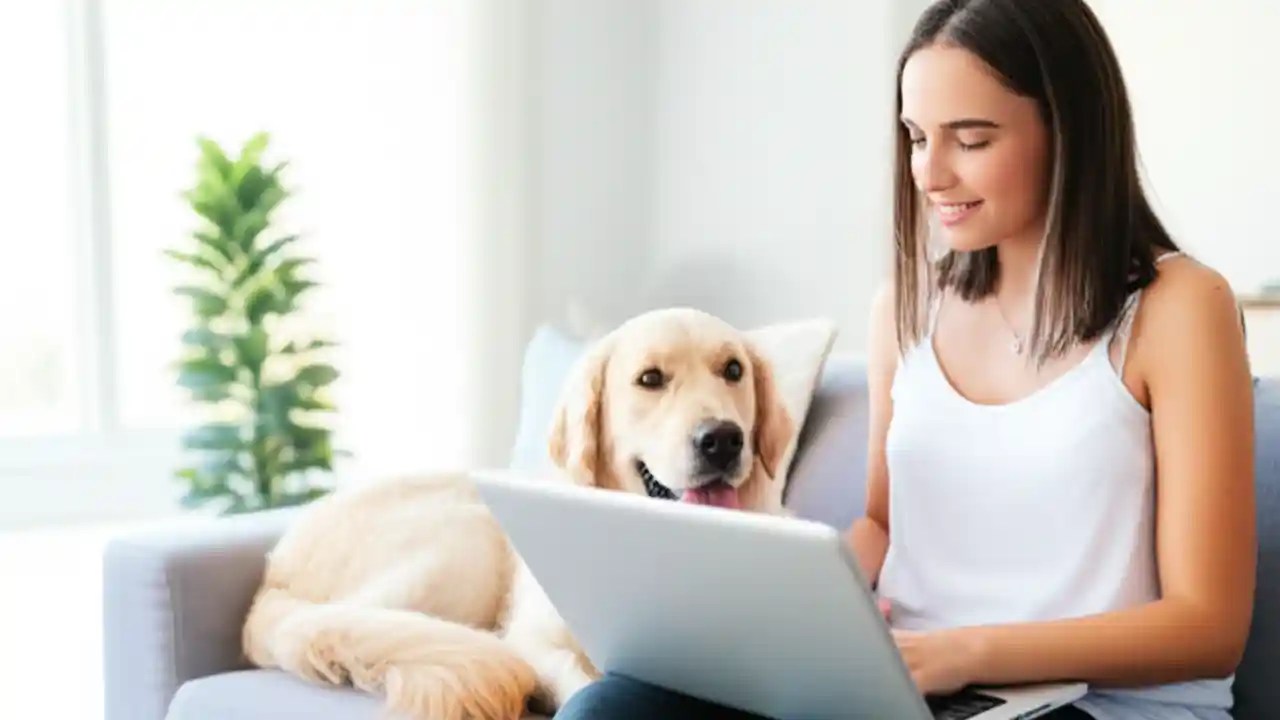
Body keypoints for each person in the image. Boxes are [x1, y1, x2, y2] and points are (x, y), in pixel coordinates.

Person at [554, 0, 1257, 717]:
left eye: (971, 140)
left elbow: (1208, 626)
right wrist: (780, 606)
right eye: (917, 137)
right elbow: (884, 527)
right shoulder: (907, 306)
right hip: (913, 683)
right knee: (610, 707)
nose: (930, 173)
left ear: (1068, 130)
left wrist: (966, 653)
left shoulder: (1178, 308)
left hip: (1094, 704)